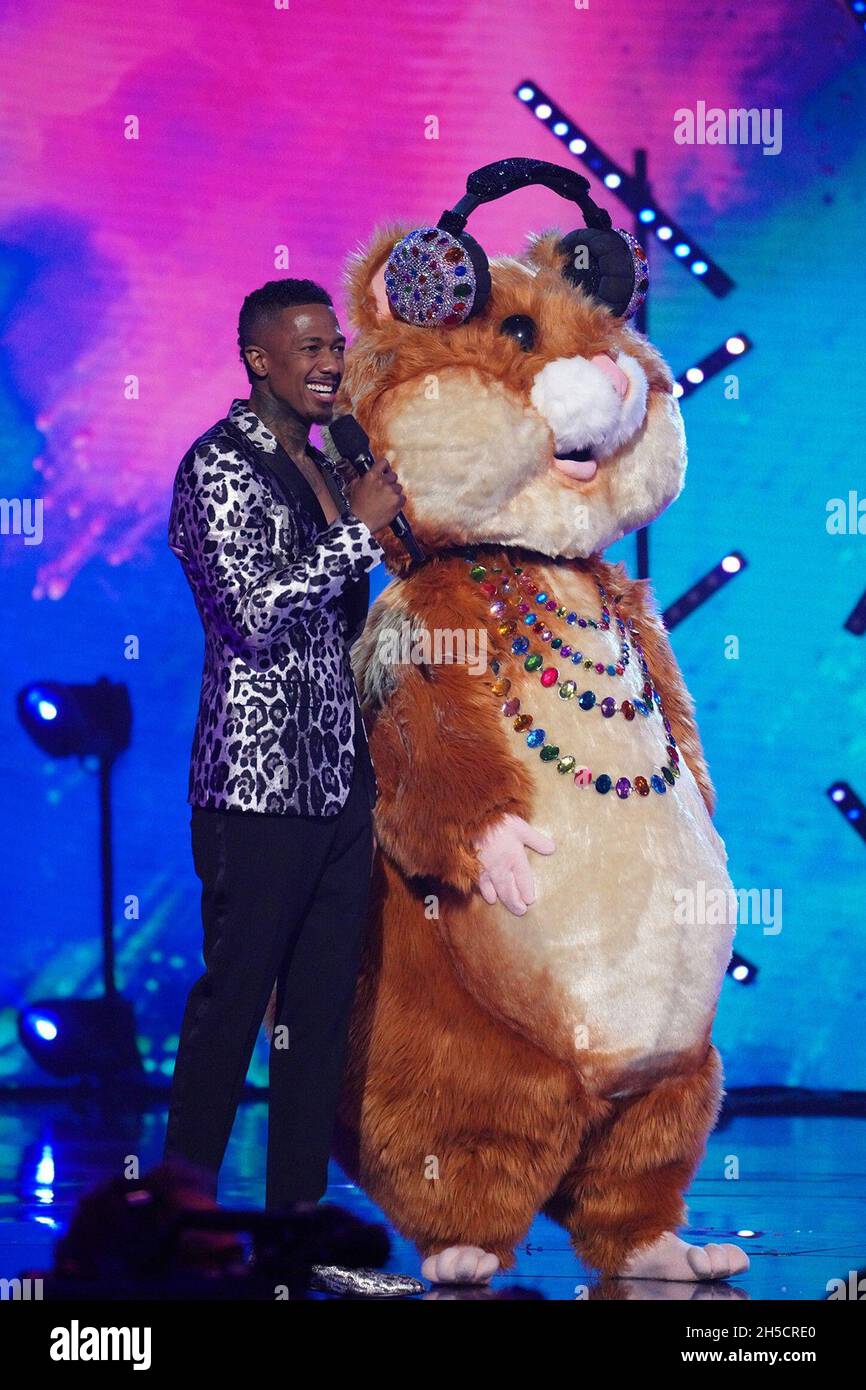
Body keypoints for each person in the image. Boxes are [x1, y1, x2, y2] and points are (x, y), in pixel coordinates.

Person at [163, 277, 404, 1218]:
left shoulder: (326, 464)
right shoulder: (217, 466)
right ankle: (176, 1224)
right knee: (234, 1010)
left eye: (333, 345)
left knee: (316, 1018)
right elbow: (252, 614)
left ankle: (295, 1231)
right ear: (258, 360)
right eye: (306, 348)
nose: (329, 362)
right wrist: (358, 537)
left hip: (337, 782)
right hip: (255, 786)